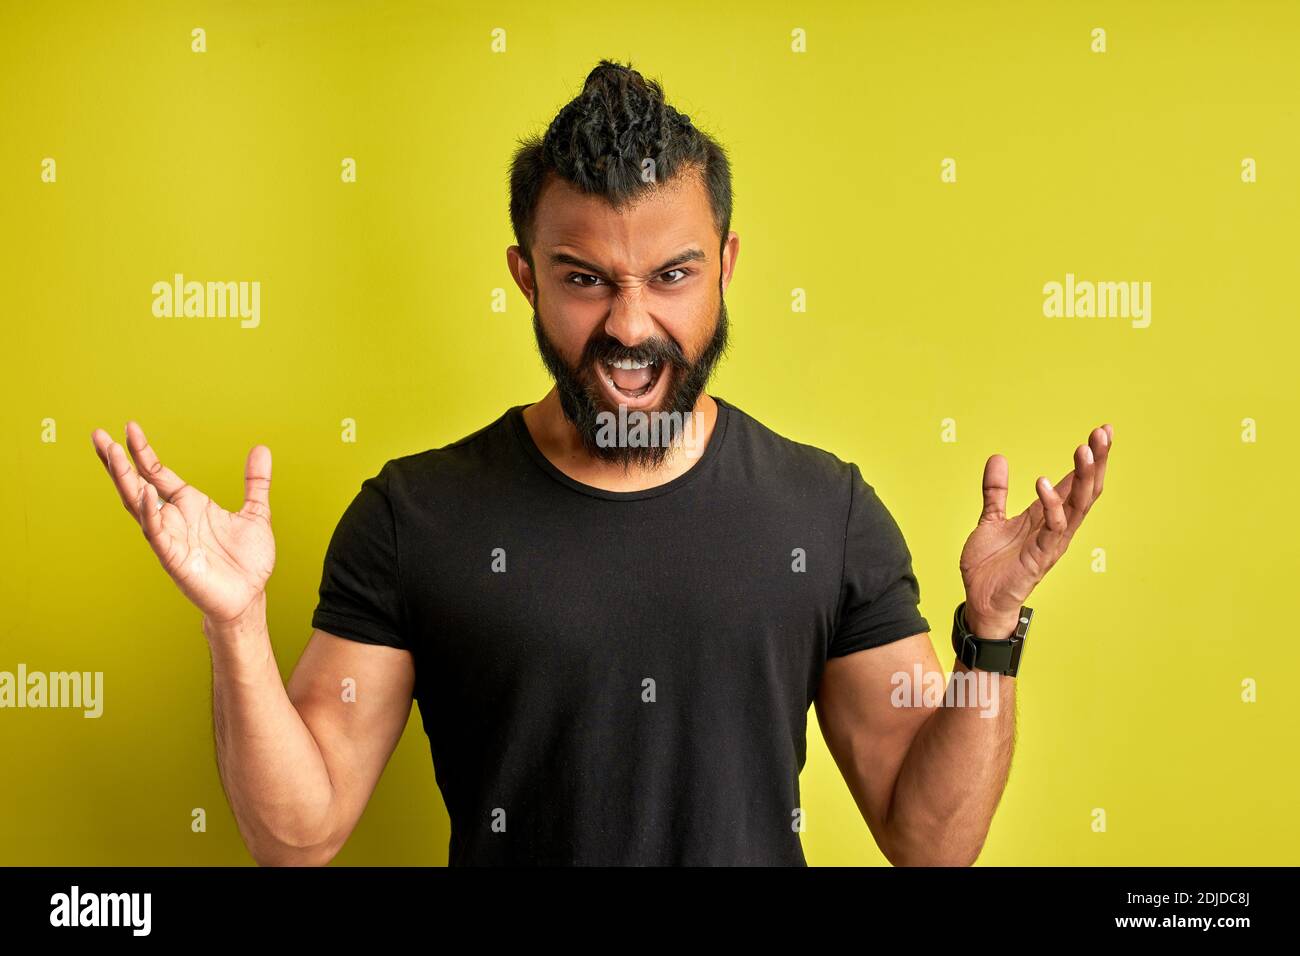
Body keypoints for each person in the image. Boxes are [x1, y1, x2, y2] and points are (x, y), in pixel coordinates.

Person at [91, 59, 1113, 866]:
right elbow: (296, 833)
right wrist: (233, 627)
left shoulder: (823, 512)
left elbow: (931, 840)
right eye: (585, 279)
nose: (631, 324)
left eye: (672, 275)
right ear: (525, 276)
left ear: (726, 266)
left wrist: (989, 632)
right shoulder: (416, 518)